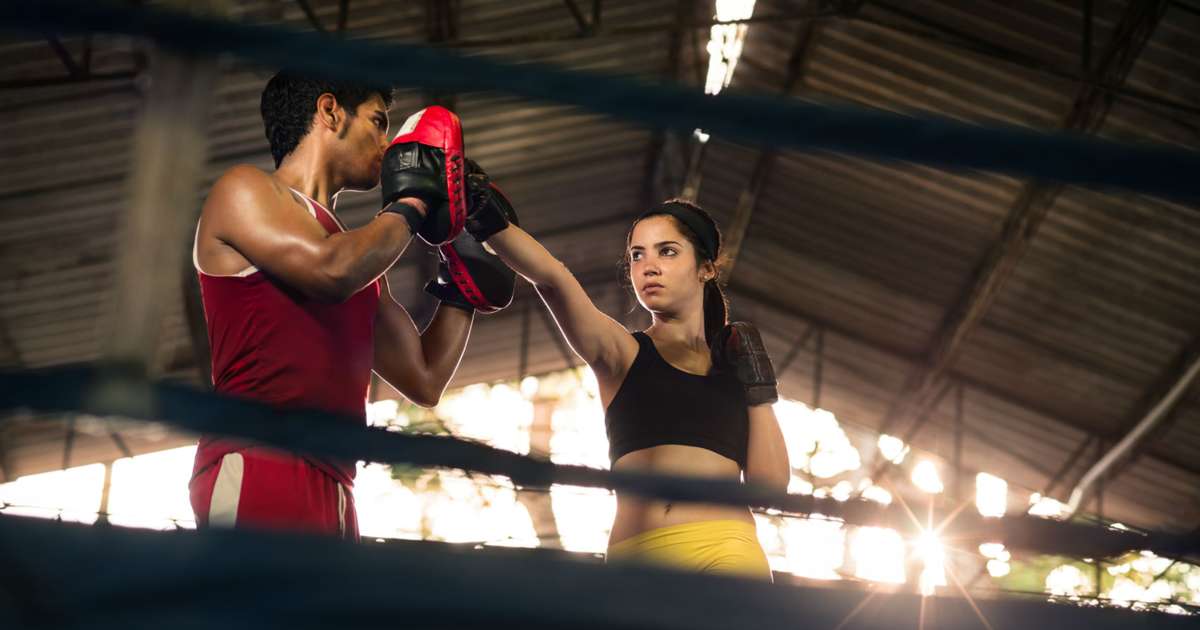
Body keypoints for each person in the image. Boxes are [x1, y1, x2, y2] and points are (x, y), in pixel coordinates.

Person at [187, 73, 514, 539]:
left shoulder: (356, 258)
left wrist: (466, 272)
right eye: (379, 123)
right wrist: (415, 198)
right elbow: (330, 272)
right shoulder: (244, 191)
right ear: (329, 111)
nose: (387, 145)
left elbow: (425, 378)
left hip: (337, 486)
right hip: (260, 460)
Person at [460, 163, 791, 579]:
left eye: (667, 251)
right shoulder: (622, 353)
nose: (648, 266)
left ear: (706, 267)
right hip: (637, 562)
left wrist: (760, 388)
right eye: (638, 255)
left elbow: (771, 490)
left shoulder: (733, 369)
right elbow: (553, 279)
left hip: (727, 552)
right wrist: (484, 218)